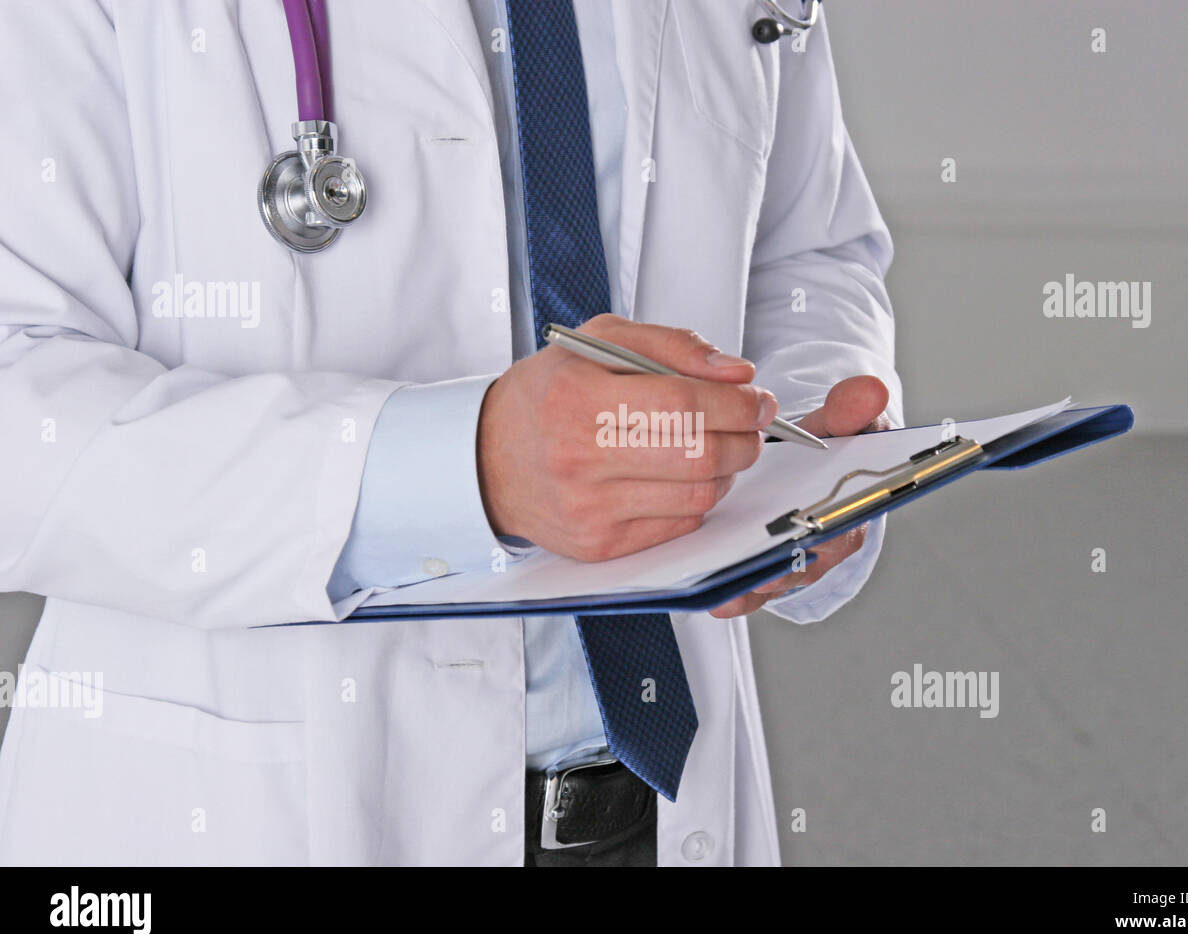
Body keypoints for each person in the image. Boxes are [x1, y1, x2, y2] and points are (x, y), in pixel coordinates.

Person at [0, 0, 901, 866]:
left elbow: (807, 251)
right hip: (256, 807)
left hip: (659, 807)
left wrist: (796, 447)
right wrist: (467, 469)